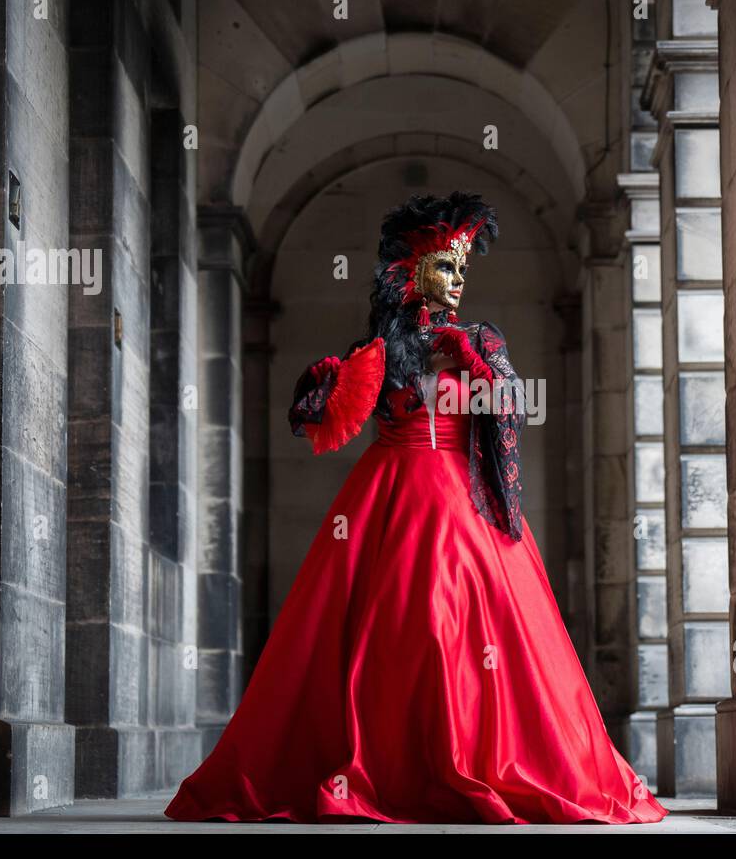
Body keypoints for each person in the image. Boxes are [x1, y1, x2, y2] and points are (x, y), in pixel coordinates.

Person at [164, 191, 668, 824]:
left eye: (463, 270)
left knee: (464, 631)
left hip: (465, 503)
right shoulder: (381, 349)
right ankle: (386, 770)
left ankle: (474, 762)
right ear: (411, 272)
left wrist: (482, 366)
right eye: (446, 268)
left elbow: (509, 409)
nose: (457, 281)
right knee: (388, 630)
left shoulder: (480, 340)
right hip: (389, 498)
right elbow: (316, 417)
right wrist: (332, 380)